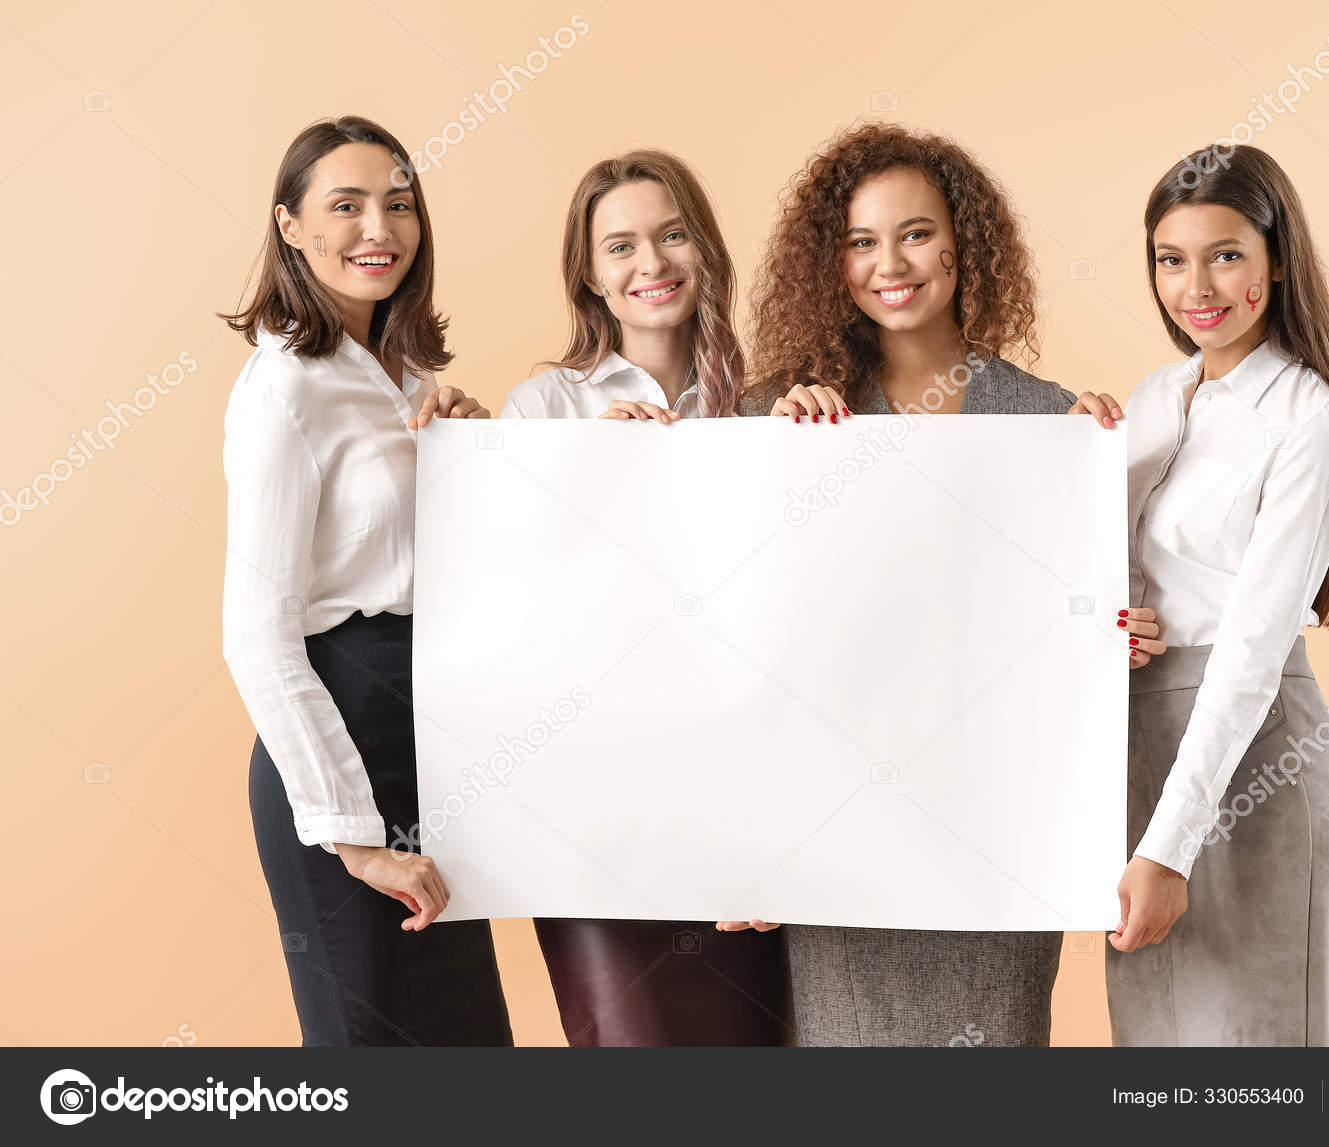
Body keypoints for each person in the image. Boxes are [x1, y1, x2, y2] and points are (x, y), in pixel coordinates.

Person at [732, 123, 1159, 1046]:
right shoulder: (800, 418)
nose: (891, 263)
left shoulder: (1051, 421)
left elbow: (1070, 627)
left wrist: (1111, 633)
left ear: (965, 244)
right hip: (842, 840)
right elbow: (748, 633)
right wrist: (770, 436)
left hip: (995, 839)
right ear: (830, 262)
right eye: (860, 241)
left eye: (916, 233)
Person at [221, 116, 512, 1046]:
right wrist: (354, 834)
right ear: (291, 227)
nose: (377, 228)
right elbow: (255, 634)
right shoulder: (284, 389)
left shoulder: (410, 374)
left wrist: (473, 446)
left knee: (466, 1043)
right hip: (337, 739)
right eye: (344, 206)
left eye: (397, 204)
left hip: (432, 739)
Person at [1105, 143, 1329, 1046]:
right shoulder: (1157, 396)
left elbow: (1250, 649)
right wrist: (1101, 624)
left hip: (1254, 765)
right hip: (1138, 756)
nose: (1198, 286)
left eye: (1226, 254)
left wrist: (1166, 847)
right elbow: (1096, 563)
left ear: (1277, 259)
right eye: (1171, 258)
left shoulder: (1315, 426)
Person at [500, 150, 790, 1046]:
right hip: (599, 805)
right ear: (589, 273)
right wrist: (587, 479)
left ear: (704, 248)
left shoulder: (769, 406)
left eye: (671, 236)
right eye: (620, 246)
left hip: (745, 799)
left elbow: (802, 608)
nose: (651, 265)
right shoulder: (546, 408)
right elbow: (505, 603)